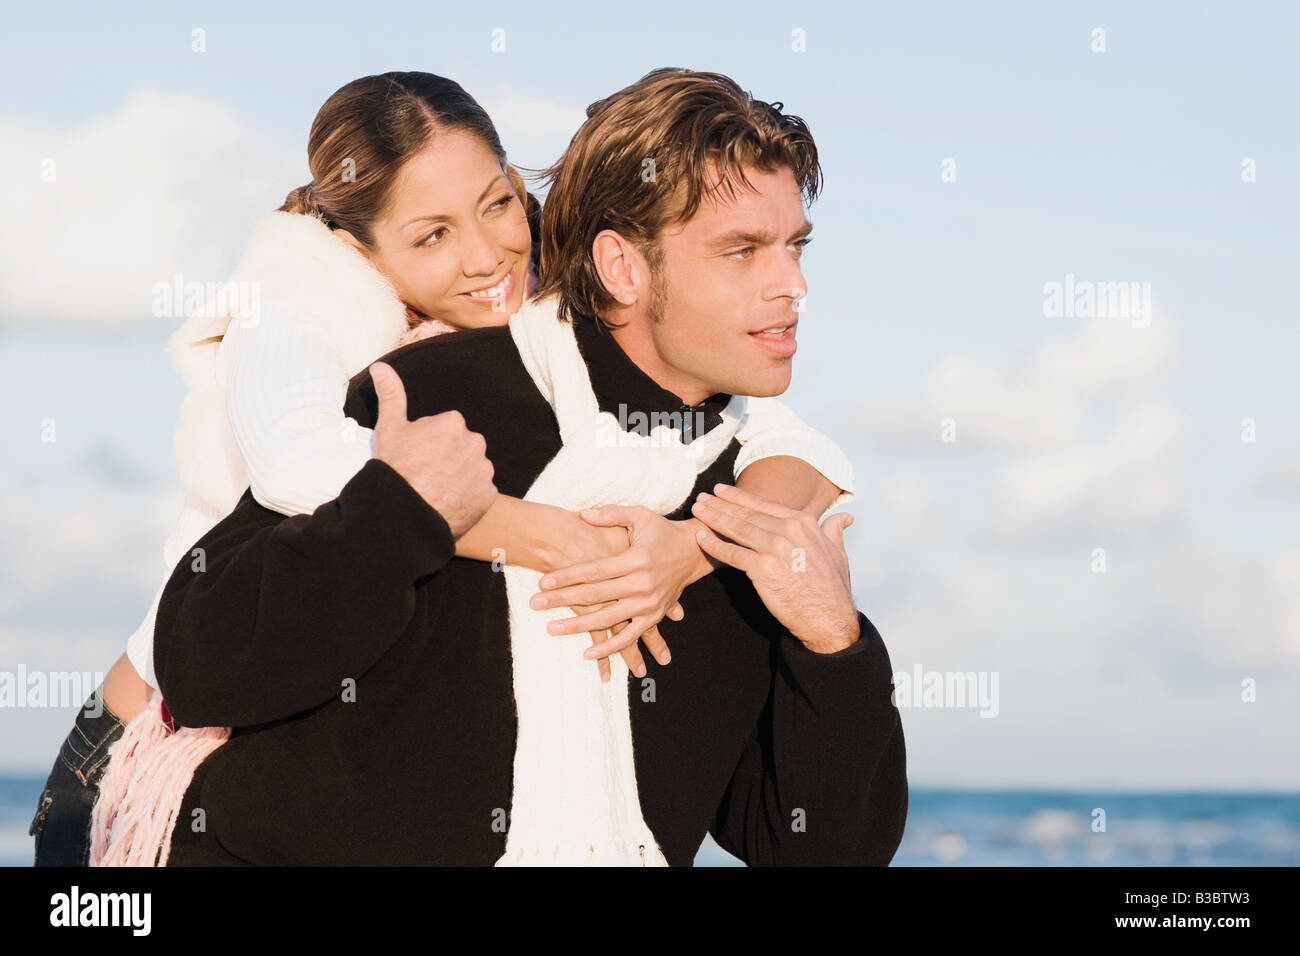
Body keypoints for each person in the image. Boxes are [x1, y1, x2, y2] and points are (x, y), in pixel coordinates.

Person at [31, 71, 856, 866]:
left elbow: (784, 441)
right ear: (360, 244)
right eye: (431, 235)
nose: (485, 256)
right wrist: (552, 537)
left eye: (496, 203)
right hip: (137, 725)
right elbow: (302, 465)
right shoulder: (304, 303)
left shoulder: (532, 295)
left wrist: (688, 549)